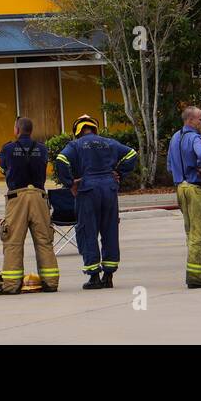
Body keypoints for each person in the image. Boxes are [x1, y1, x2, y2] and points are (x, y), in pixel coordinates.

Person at [54, 115, 139, 289]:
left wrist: (70, 183)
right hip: (109, 189)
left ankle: (94, 277)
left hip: (87, 190)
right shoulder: (109, 142)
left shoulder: (75, 145)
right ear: (94, 128)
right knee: (110, 230)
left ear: (78, 130)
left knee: (87, 232)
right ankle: (108, 275)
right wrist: (120, 172)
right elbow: (132, 153)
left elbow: (61, 160)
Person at [0, 117, 60, 293]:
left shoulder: (8, 149)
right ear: (31, 131)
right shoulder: (42, 148)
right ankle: (51, 282)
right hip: (40, 198)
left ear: (17, 130)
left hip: (17, 198)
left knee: (13, 242)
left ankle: (11, 285)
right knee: (44, 241)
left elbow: (4, 169)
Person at [167, 106, 201, 288]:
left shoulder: (175, 138)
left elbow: (170, 165)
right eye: (200, 119)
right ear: (190, 120)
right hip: (195, 188)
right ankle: (197, 277)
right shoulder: (195, 138)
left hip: (181, 187)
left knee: (189, 231)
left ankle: (196, 273)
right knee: (199, 232)